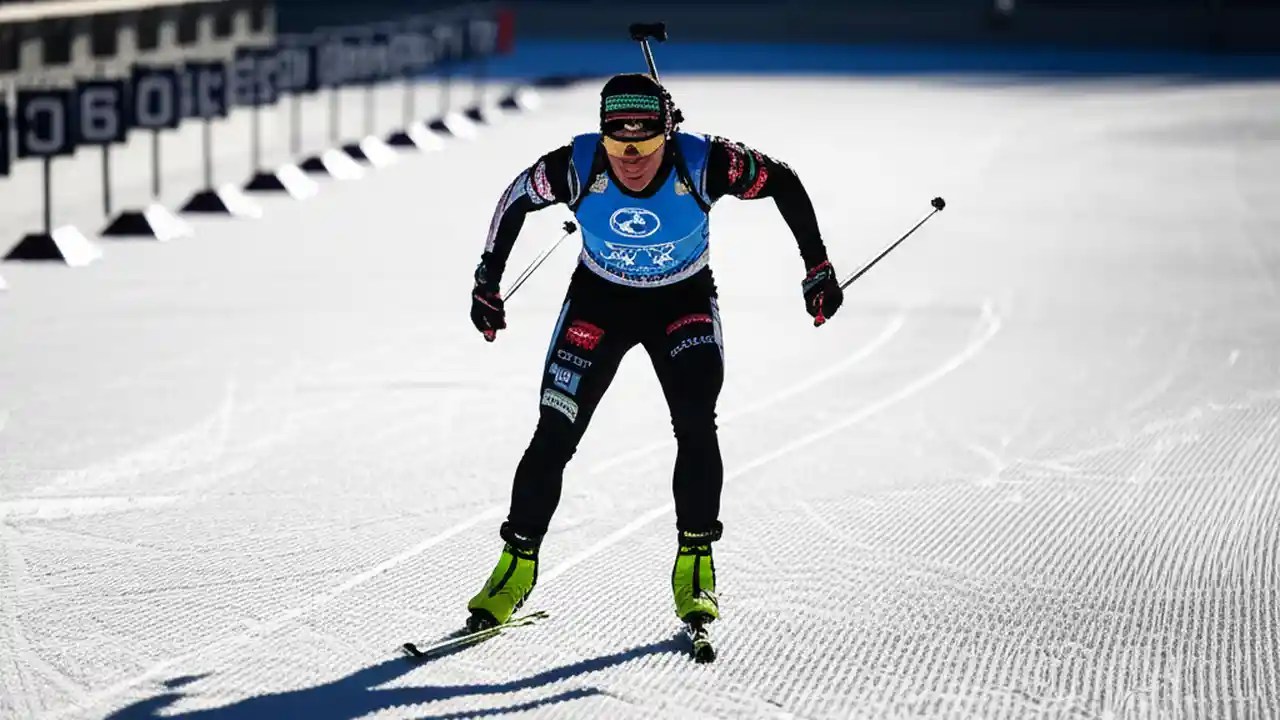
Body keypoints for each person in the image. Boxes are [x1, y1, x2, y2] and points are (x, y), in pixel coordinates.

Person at [465, 72, 843, 631]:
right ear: (603, 136)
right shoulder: (576, 165)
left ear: (668, 131)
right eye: (618, 142)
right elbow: (515, 197)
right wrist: (486, 280)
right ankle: (515, 564)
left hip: (681, 302)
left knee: (695, 421)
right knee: (555, 429)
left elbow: (783, 181)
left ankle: (695, 562)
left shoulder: (706, 161)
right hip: (600, 303)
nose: (631, 158)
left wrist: (817, 266)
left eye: (644, 143)